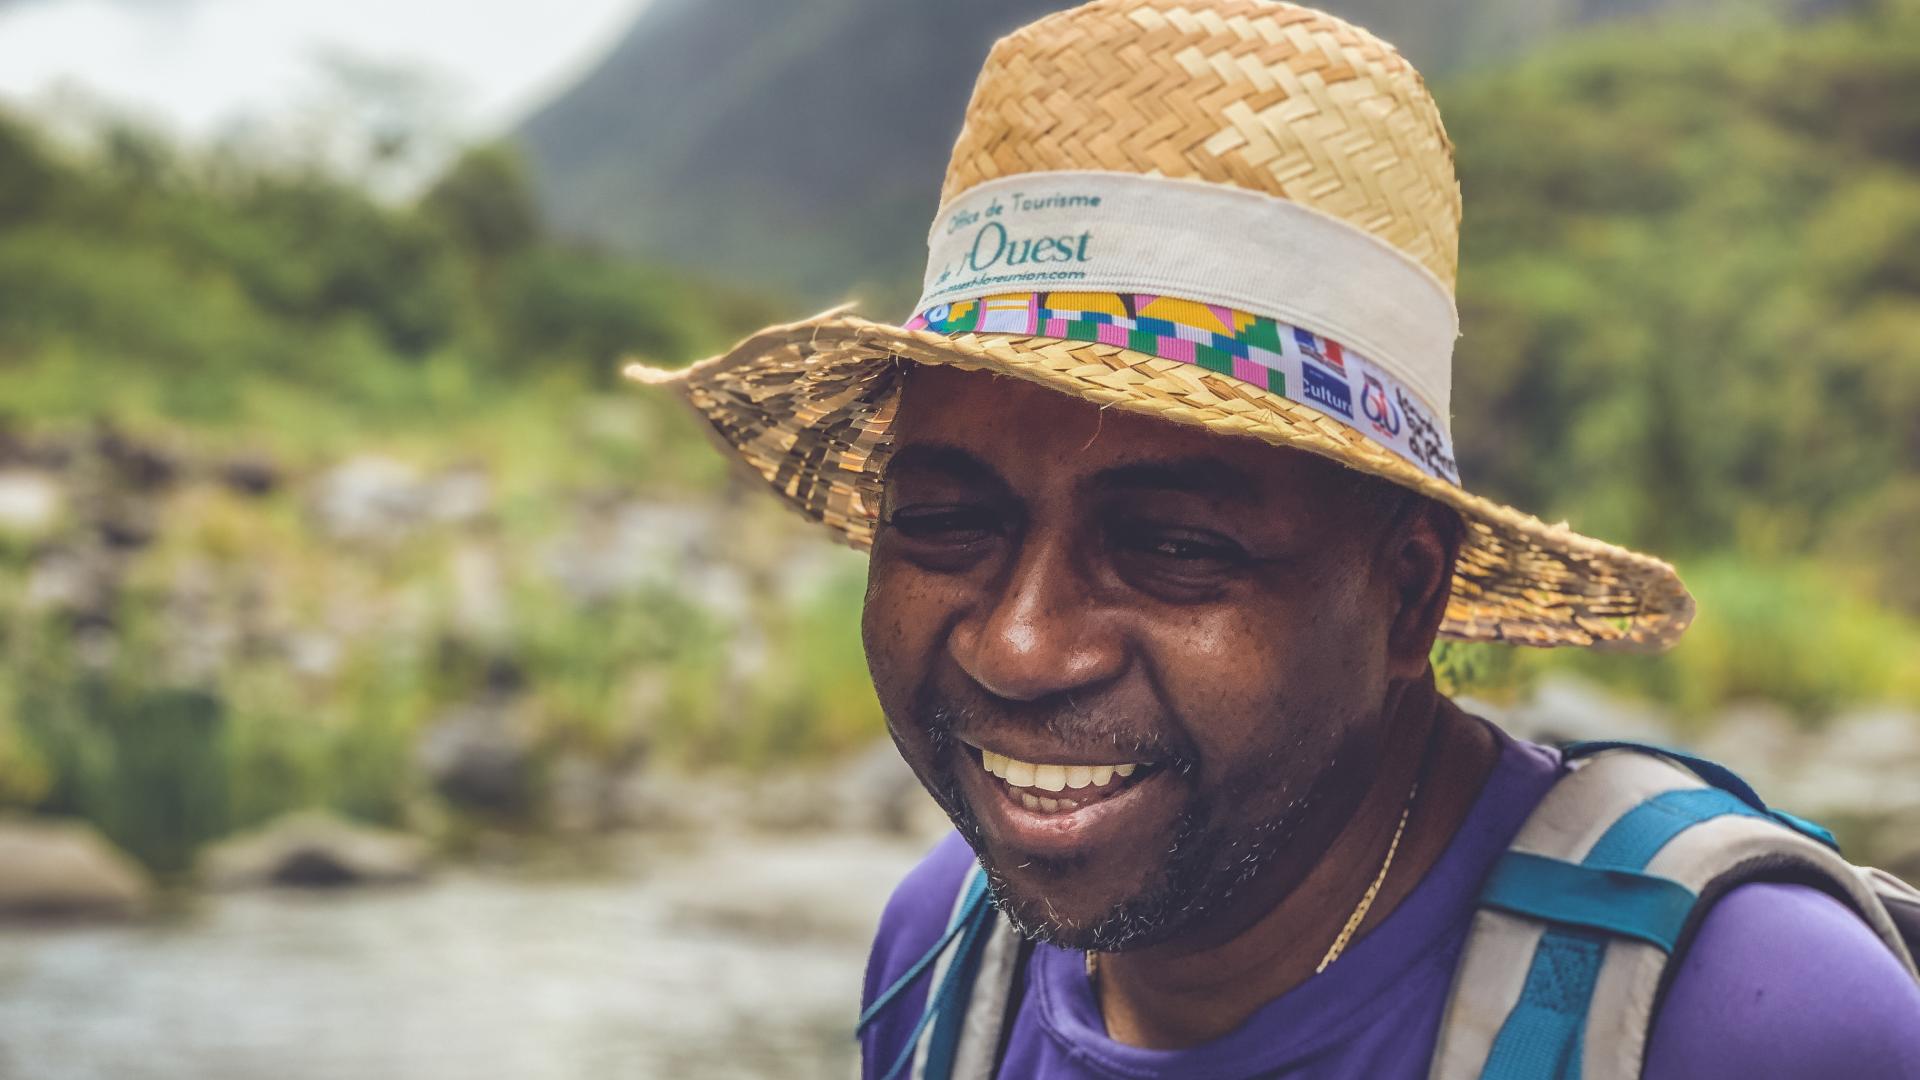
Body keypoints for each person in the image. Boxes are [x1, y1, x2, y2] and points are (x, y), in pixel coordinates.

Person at [630, 1, 1920, 1076]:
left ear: (1409, 597)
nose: (1021, 646)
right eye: (948, 522)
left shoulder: (1745, 1017)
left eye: (1175, 548)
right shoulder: (945, 967)